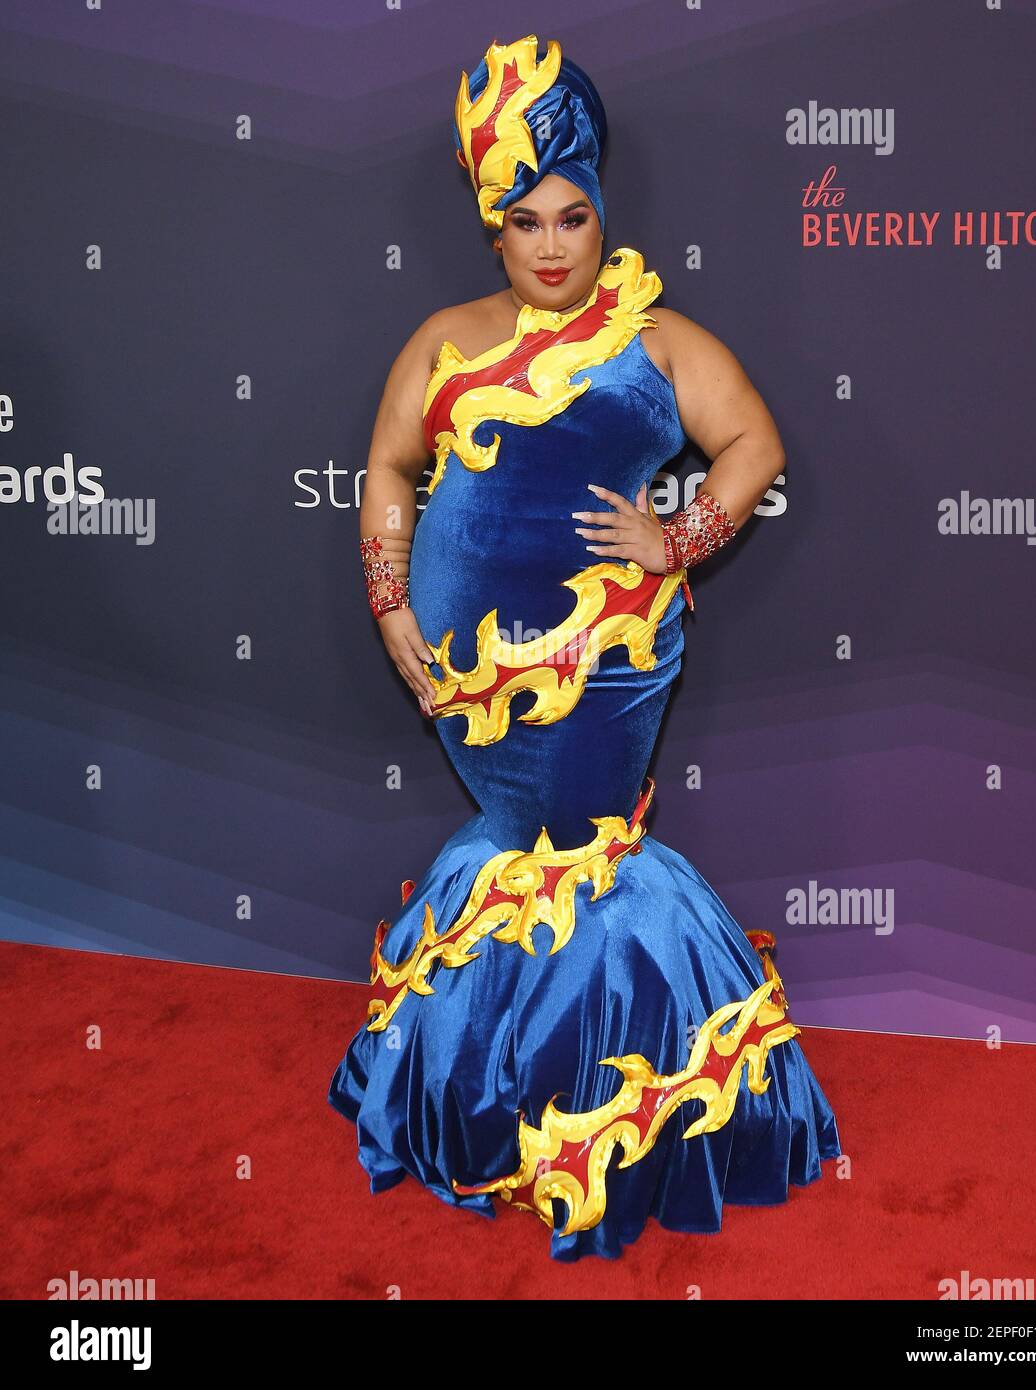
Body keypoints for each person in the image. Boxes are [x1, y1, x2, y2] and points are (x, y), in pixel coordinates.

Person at [328, 33, 842, 1262]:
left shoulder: (653, 336)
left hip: (600, 664)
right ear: (492, 229)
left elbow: (756, 444)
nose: (553, 244)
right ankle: (495, 1106)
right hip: (463, 678)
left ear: (600, 211)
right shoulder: (444, 337)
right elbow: (390, 469)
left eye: (573, 215)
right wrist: (394, 610)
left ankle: (603, 1118)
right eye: (525, 221)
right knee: (513, 851)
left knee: (581, 856)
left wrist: (681, 538)